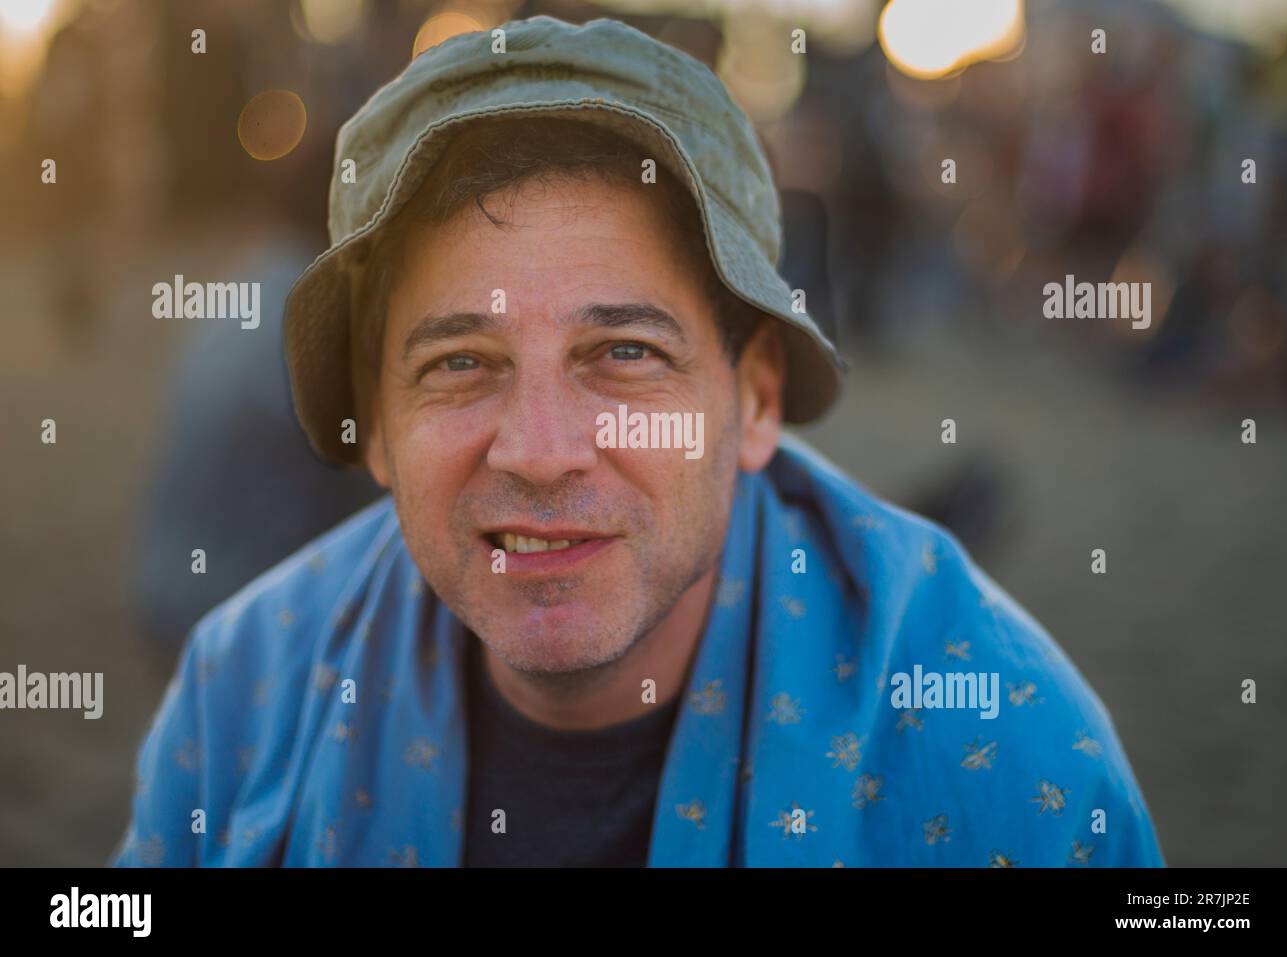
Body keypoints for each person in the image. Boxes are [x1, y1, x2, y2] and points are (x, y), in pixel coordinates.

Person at [112, 16, 1163, 867]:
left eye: (621, 354)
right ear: (376, 428)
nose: (537, 449)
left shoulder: (999, 756)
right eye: (459, 365)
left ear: (755, 402)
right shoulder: (241, 696)